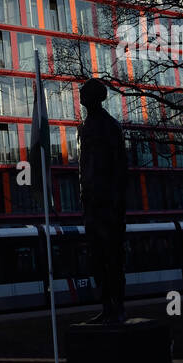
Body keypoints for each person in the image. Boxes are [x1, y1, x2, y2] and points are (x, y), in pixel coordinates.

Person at [78, 77, 128, 323]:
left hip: (108, 202)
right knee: (96, 257)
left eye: (84, 93)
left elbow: (120, 167)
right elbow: (84, 165)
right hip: (92, 203)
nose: (80, 96)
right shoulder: (85, 127)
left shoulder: (110, 126)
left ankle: (118, 307)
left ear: (95, 97)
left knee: (112, 257)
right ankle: (107, 306)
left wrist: (117, 202)